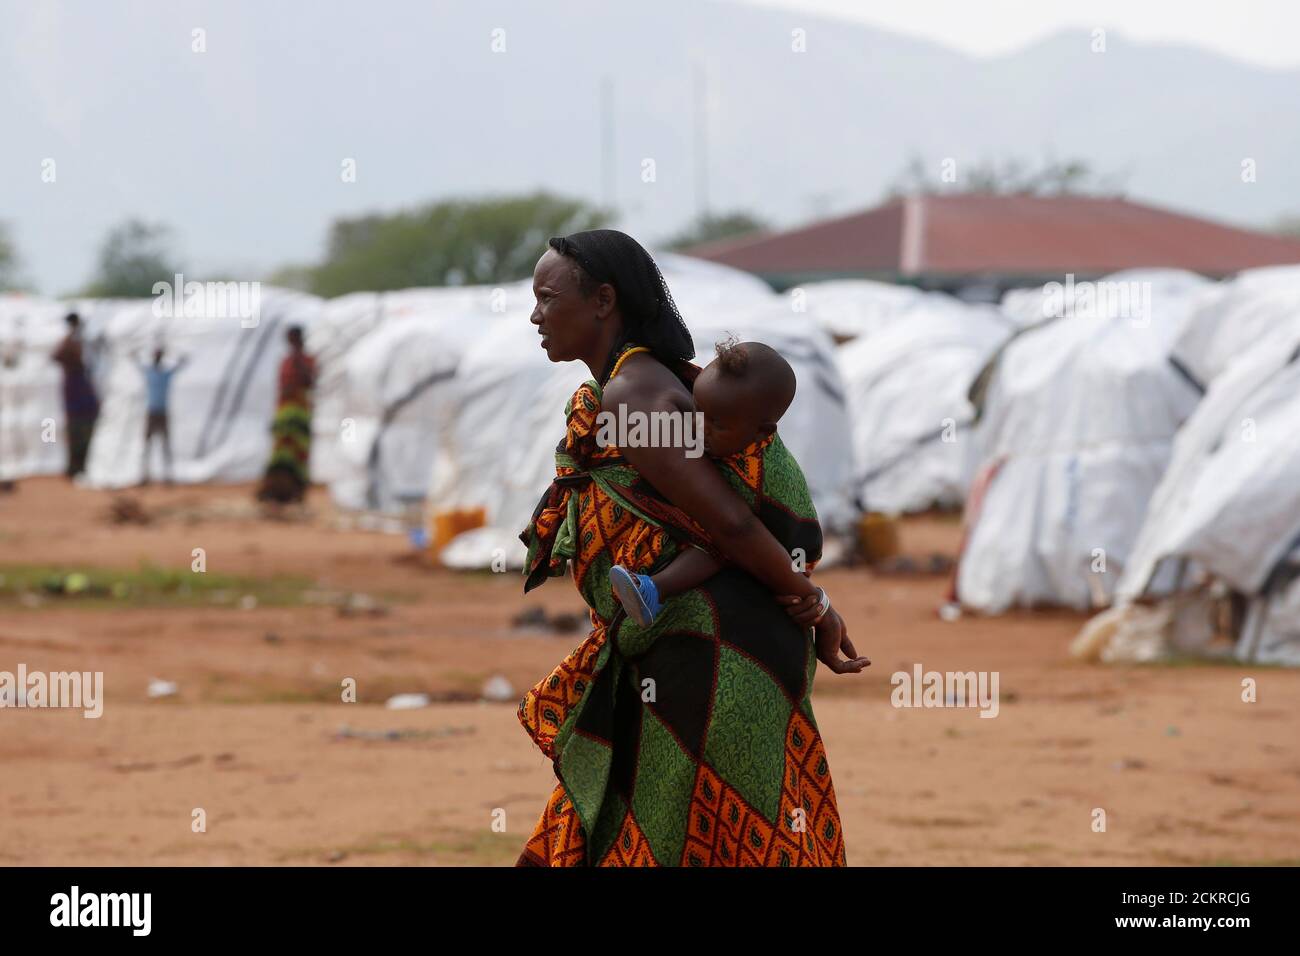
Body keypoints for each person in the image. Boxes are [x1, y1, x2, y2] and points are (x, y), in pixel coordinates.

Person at [515, 229, 868, 868]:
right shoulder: (641, 386)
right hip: (687, 647)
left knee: (693, 838)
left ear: (602, 300)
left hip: (708, 653)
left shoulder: (633, 396)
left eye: (546, 298)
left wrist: (815, 606)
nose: (535, 315)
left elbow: (729, 524)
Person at [608, 337, 799, 627]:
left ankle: (654, 590)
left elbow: (737, 527)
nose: (700, 428)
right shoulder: (722, 438)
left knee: (719, 538)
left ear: (762, 432)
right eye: (696, 411)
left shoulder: (758, 469)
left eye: (717, 425)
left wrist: (810, 594)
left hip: (772, 549)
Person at [256, 325, 316, 504]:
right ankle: (278, 493)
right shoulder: (285, 361)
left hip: (299, 411)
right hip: (285, 411)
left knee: (298, 453)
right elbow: (281, 388)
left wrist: (298, 360)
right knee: (281, 452)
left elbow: (310, 382)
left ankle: (297, 493)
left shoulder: (306, 360)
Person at [50, 312, 99, 479]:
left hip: (81, 390)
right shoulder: (70, 342)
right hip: (75, 390)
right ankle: (75, 467)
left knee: (84, 428)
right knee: (76, 429)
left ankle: (80, 466)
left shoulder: (81, 341)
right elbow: (56, 356)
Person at [134, 347, 187, 485]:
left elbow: (179, 366)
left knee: (165, 444)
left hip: (161, 412)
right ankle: (144, 475)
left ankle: (167, 476)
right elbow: (138, 365)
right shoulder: (150, 372)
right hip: (152, 412)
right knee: (147, 444)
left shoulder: (165, 374)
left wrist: (181, 359)